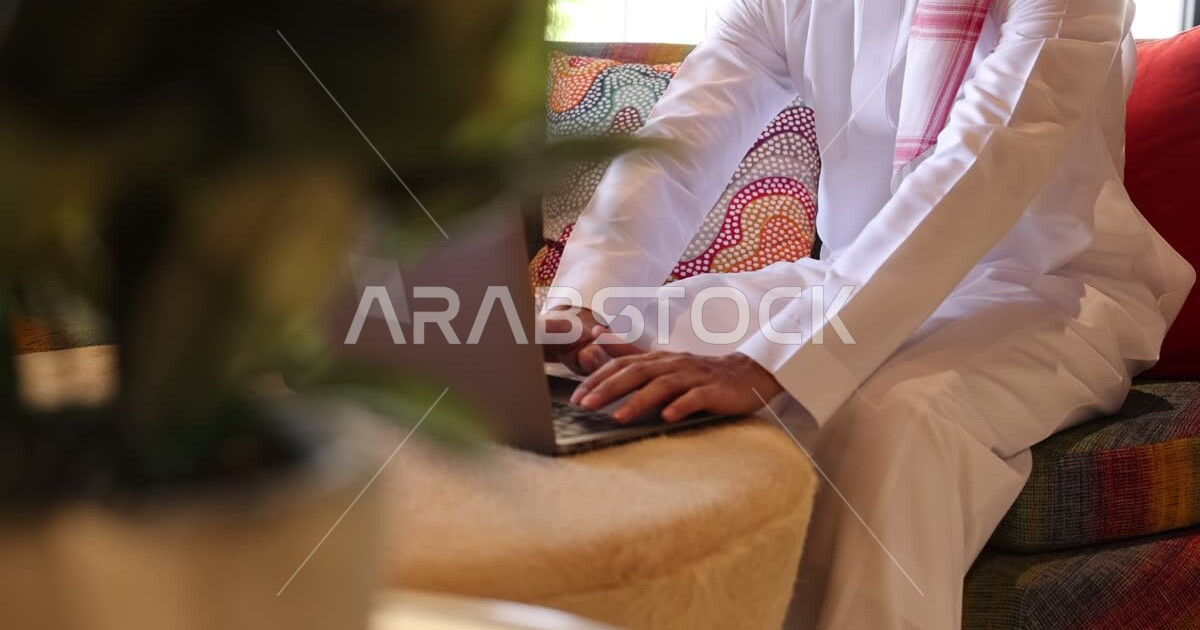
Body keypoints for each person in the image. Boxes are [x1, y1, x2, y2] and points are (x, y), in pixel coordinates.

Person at [540, 0, 1195, 627]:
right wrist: (585, 303)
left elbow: (984, 163)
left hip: (1048, 290)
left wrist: (769, 363)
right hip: (848, 275)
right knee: (608, 357)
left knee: (890, 424)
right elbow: (678, 147)